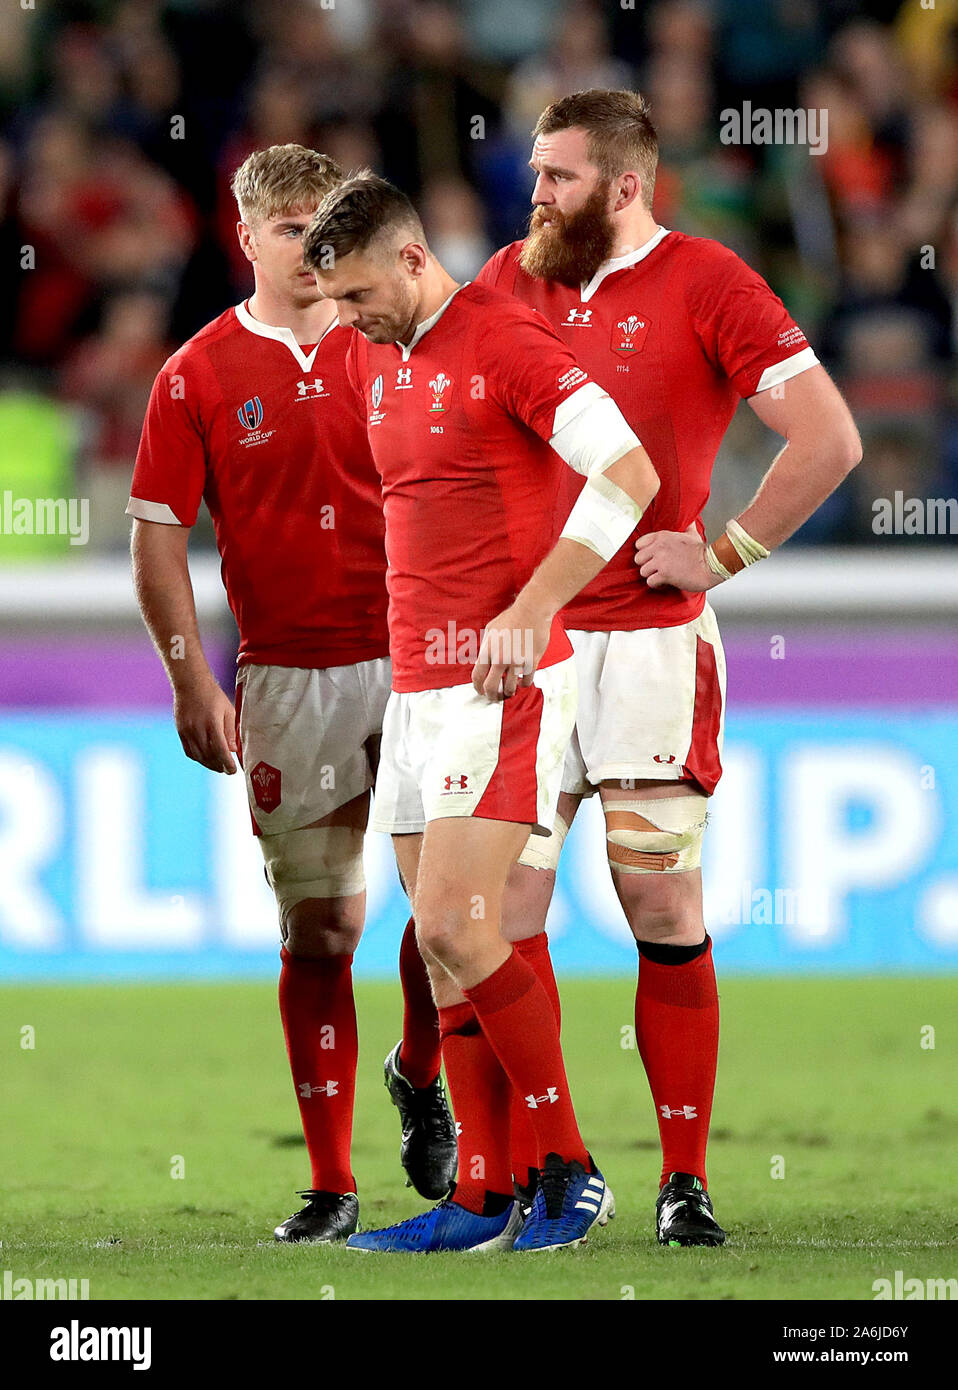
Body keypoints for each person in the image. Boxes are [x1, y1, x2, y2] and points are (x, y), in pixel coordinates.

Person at [476, 89, 862, 1246]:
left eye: (558, 176)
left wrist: (723, 552)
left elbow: (829, 436)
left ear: (626, 185)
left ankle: (683, 1178)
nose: (536, 194)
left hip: (649, 640)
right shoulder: (506, 283)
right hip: (526, 641)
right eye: (534, 173)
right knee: (502, 907)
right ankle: (551, 1163)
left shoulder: (707, 282)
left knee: (656, 898)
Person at [301, 171, 660, 1253]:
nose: (346, 320)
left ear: (415, 259)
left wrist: (534, 605)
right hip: (415, 688)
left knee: (459, 926)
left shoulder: (504, 341)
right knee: (443, 946)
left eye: (359, 294)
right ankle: (482, 1195)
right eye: (334, 301)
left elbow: (628, 472)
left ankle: (571, 1167)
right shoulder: (371, 354)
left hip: (500, 686)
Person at [127, 144, 456, 1246]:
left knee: (450, 914)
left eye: (327, 227)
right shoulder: (198, 374)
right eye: (289, 229)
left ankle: (420, 1068)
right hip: (286, 675)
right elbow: (158, 540)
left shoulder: (399, 342)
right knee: (323, 933)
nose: (312, 248)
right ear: (247, 239)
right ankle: (330, 1182)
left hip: (421, 662)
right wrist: (190, 677)